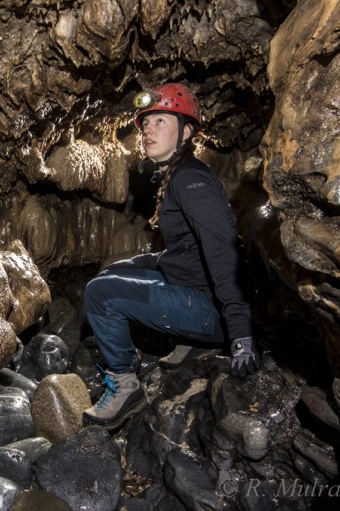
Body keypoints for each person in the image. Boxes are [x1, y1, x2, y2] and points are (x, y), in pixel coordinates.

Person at [82, 82, 260, 429]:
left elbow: (222, 249)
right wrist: (145, 262)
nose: (148, 129)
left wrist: (239, 331)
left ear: (187, 131)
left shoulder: (191, 180)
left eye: (161, 121)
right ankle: (189, 339)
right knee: (110, 273)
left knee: (99, 293)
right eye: (146, 123)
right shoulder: (179, 173)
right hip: (200, 295)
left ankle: (124, 386)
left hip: (215, 313)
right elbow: (187, 251)